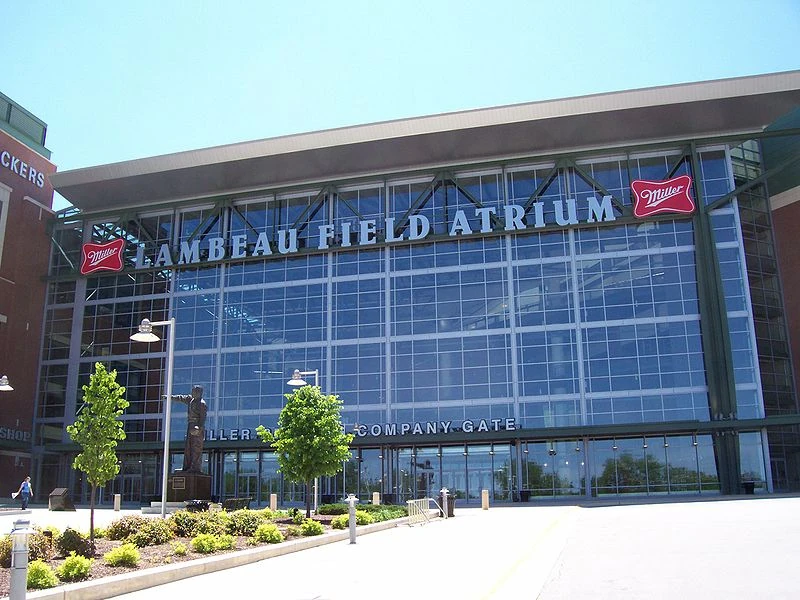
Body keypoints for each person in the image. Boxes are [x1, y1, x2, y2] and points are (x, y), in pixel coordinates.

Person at [166, 385, 207, 473]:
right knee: (188, 447)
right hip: (190, 425)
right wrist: (169, 397)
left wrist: (199, 429)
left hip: (197, 427)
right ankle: (186, 467)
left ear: (199, 393)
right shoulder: (190, 399)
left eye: (195, 392)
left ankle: (195, 467)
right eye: (192, 391)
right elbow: (181, 398)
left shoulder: (202, 404)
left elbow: (203, 418)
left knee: (196, 448)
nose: (193, 393)